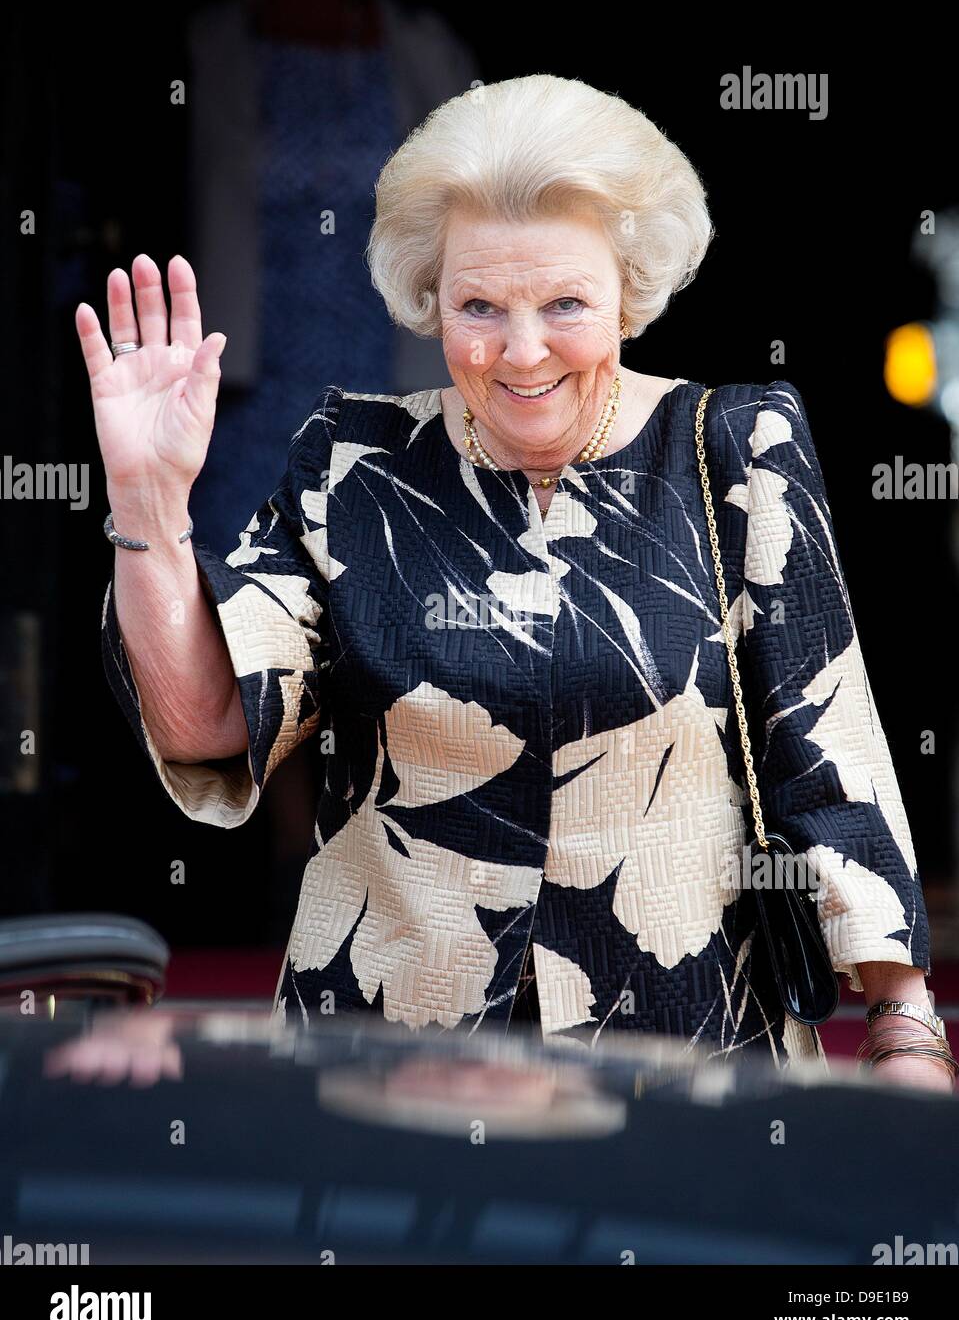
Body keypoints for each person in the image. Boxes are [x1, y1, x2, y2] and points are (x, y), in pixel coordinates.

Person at [77, 75, 954, 1090]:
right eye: (478, 305)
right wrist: (148, 508)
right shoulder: (350, 466)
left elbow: (827, 754)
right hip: (385, 1083)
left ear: (629, 288)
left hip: (688, 1081)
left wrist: (901, 1025)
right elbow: (206, 725)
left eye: (565, 303)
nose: (521, 349)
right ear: (427, 297)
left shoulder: (734, 448)